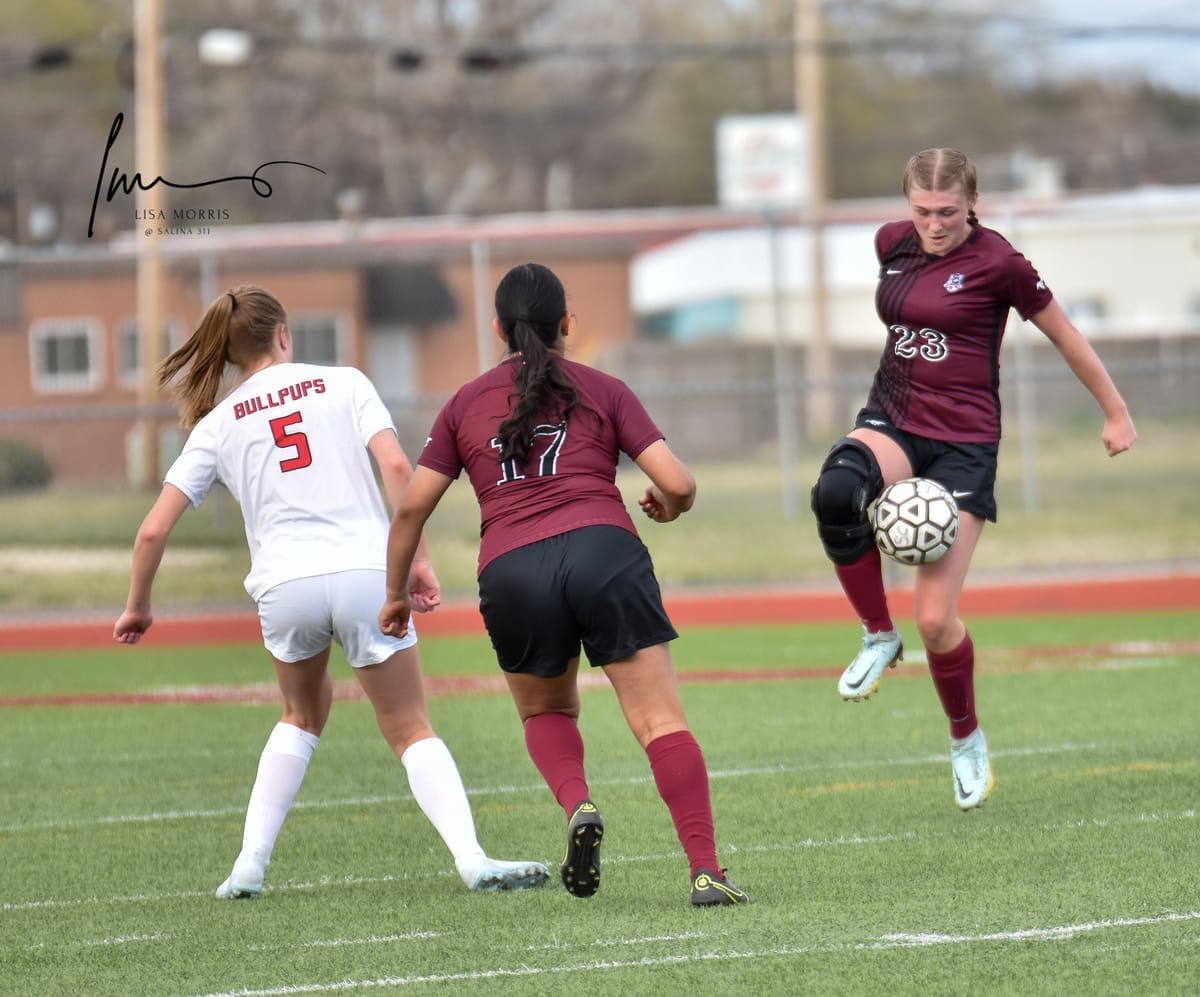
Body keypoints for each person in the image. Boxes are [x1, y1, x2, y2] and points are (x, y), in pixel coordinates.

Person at [113, 285, 549, 898]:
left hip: (284, 587)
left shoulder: (216, 425)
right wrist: (417, 560)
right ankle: (471, 858)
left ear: (232, 351)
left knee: (299, 716)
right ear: (284, 335)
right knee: (407, 725)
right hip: (366, 575)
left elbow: (153, 528)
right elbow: (399, 468)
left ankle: (249, 866)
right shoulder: (344, 382)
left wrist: (138, 605)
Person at [378, 262, 751, 907]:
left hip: (513, 568)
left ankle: (579, 806)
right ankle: (705, 872)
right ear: (568, 325)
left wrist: (393, 594)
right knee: (659, 719)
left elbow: (411, 508)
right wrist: (671, 505)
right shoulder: (603, 387)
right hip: (604, 551)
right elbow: (680, 482)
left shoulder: (464, 402)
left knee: (547, 710)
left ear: (497, 327)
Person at [810, 148, 1138, 810]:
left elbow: (1065, 332)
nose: (934, 225)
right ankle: (878, 633)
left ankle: (966, 739)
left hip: (964, 443)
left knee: (936, 619)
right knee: (837, 492)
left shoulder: (999, 263)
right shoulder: (890, 244)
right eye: (922, 211)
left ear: (972, 204)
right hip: (894, 419)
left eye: (948, 213)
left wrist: (1116, 410)